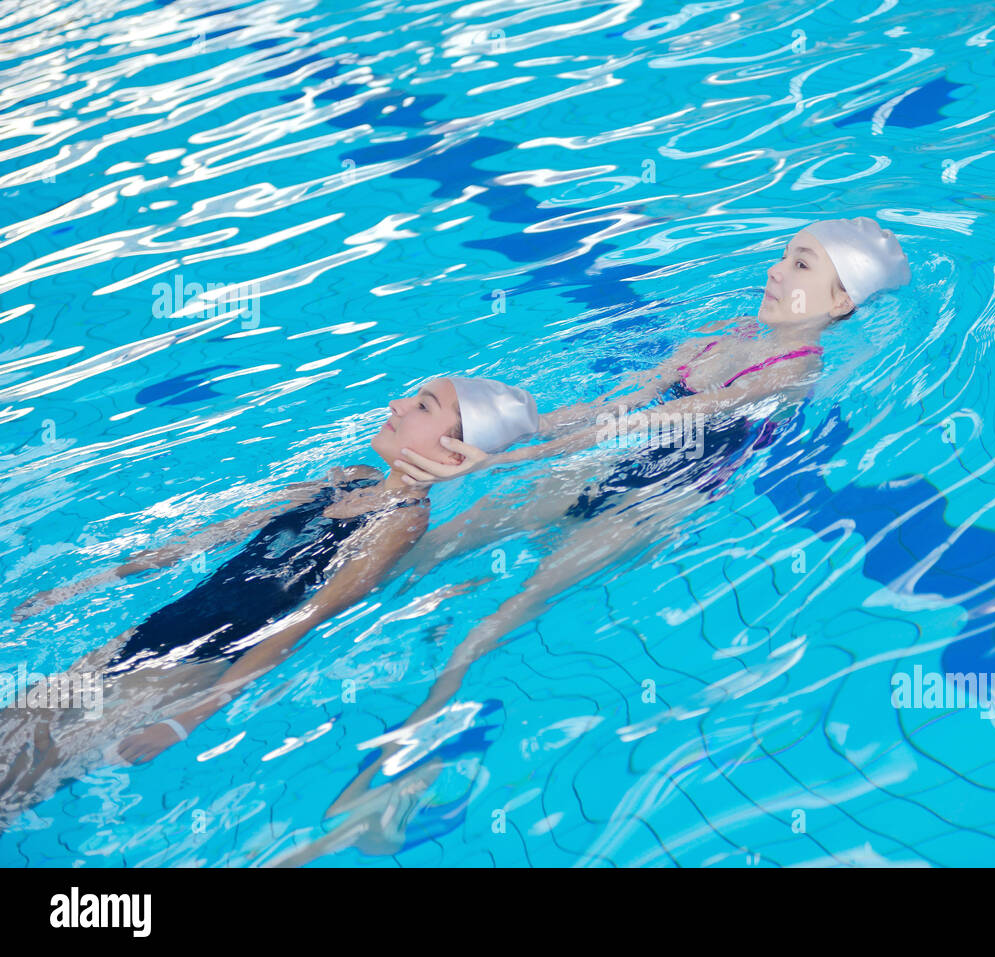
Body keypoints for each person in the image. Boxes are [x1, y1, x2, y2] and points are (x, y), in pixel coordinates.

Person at [304, 217, 912, 857]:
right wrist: (510, 432)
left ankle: (401, 778)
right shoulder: (721, 336)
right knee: (429, 549)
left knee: (496, 623)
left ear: (842, 301)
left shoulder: (792, 372)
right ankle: (285, 623)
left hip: (656, 502)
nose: (776, 270)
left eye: (802, 264)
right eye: (785, 255)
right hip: (595, 471)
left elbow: (656, 421)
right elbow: (609, 410)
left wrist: (500, 465)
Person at [0, 376, 541, 822]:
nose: (397, 403)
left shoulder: (399, 524)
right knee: (16, 722)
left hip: (198, 660)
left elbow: (305, 621)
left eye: (423, 406)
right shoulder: (350, 478)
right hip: (159, 626)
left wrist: (190, 714)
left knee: (34, 769)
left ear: (455, 447)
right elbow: (213, 534)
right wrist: (89, 583)